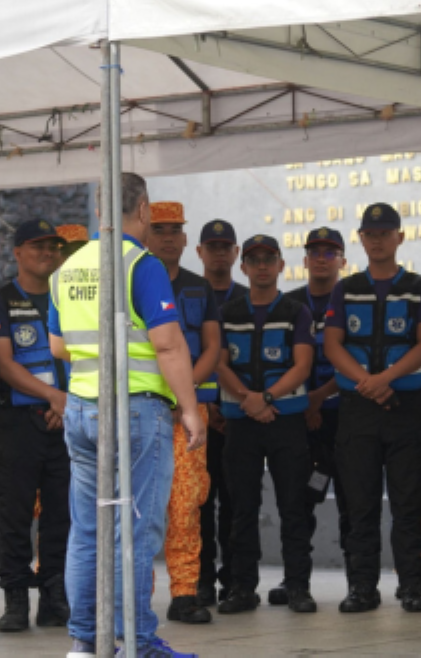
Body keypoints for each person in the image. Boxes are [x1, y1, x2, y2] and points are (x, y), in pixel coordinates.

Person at [50, 172, 204, 658]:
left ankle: (83, 642)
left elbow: (59, 346)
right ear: (142, 212)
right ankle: (135, 642)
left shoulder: (68, 269)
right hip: (137, 410)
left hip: (80, 409)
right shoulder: (142, 263)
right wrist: (191, 409)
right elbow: (167, 342)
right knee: (135, 529)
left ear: (98, 211)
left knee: (88, 530)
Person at [324, 203, 421, 613]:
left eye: (385, 232)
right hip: (358, 409)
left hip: (405, 408)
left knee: (408, 504)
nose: (377, 240)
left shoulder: (417, 286)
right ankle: (362, 588)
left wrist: (384, 378)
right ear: (361, 238)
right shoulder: (346, 287)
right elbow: (333, 343)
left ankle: (411, 587)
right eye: (370, 234)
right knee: (360, 504)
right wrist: (366, 382)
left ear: (399, 237)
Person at [214, 234, 317, 615]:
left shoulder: (296, 311)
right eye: (254, 259)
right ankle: (241, 588)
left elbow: (302, 365)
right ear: (243, 266)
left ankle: (298, 586)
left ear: (280, 266)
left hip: (286, 420)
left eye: (268, 259)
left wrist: (266, 398)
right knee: (241, 507)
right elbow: (220, 363)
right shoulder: (229, 312)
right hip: (241, 423)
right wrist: (248, 399)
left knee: (294, 506)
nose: (261, 265)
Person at [144, 202, 222, 625]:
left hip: (189, 412)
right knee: (141, 506)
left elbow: (212, 346)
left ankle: (185, 593)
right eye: (160, 229)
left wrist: (184, 392)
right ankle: (139, 596)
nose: (168, 237)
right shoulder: (133, 282)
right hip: (143, 408)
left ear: (185, 239)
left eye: (175, 230)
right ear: (146, 233)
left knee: (186, 503)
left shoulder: (199, 287)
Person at [270, 227, 350, 607]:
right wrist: (308, 402)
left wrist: (320, 397)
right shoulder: (289, 305)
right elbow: (287, 364)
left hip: (345, 417)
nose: (322, 258)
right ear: (304, 260)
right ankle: (294, 580)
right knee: (298, 502)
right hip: (300, 419)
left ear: (342, 261)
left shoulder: (352, 299)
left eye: (330, 252)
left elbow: (357, 359)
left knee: (354, 501)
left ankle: (359, 583)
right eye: (315, 252)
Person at [0, 220, 71, 632]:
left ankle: (52, 598)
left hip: (68, 421)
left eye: (53, 246)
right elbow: (5, 363)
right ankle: (13, 600)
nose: (48, 252)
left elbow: (82, 358)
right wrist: (51, 397)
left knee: (61, 515)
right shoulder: (5, 299)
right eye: (38, 245)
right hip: (19, 422)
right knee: (14, 514)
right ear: (17, 253)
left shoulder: (69, 299)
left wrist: (67, 402)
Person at [195, 219, 247, 607]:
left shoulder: (247, 299)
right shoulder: (188, 293)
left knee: (235, 502)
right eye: (211, 246)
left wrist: (233, 402)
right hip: (196, 414)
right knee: (198, 503)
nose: (218, 253)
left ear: (235, 253)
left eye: (224, 246)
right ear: (199, 252)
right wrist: (204, 403)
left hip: (237, 417)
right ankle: (200, 580)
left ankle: (235, 580)